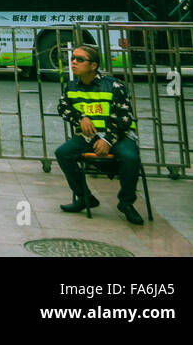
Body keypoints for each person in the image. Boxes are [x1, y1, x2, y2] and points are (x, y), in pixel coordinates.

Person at [54, 44, 144, 225]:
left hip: (118, 136)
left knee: (130, 157)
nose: (73, 62)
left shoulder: (114, 85)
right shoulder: (71, 86)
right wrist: (80, 117)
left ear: (93, 66)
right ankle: (85, 197)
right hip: (88, 137)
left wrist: (108, 141)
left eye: (80, 59)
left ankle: (126, 203)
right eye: (72, 58)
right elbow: (63, 108)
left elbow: (124, 119)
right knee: (63, 153)